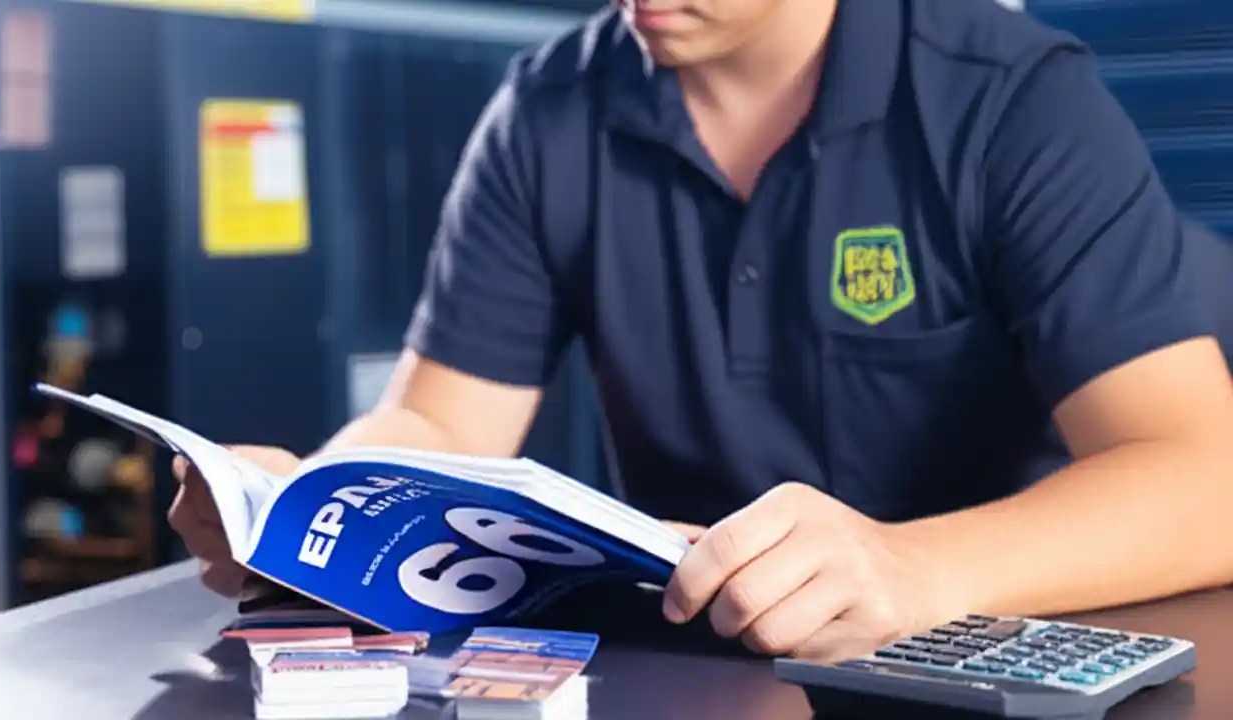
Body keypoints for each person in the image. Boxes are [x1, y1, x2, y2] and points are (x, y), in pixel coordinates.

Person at [171, 0, 1233, 662]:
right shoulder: (545, 115)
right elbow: (439, 420)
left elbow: (1204, 482)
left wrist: (914, 569)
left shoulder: (1009, 99)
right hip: (708, 666)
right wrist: (305, 509)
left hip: (995, 661)